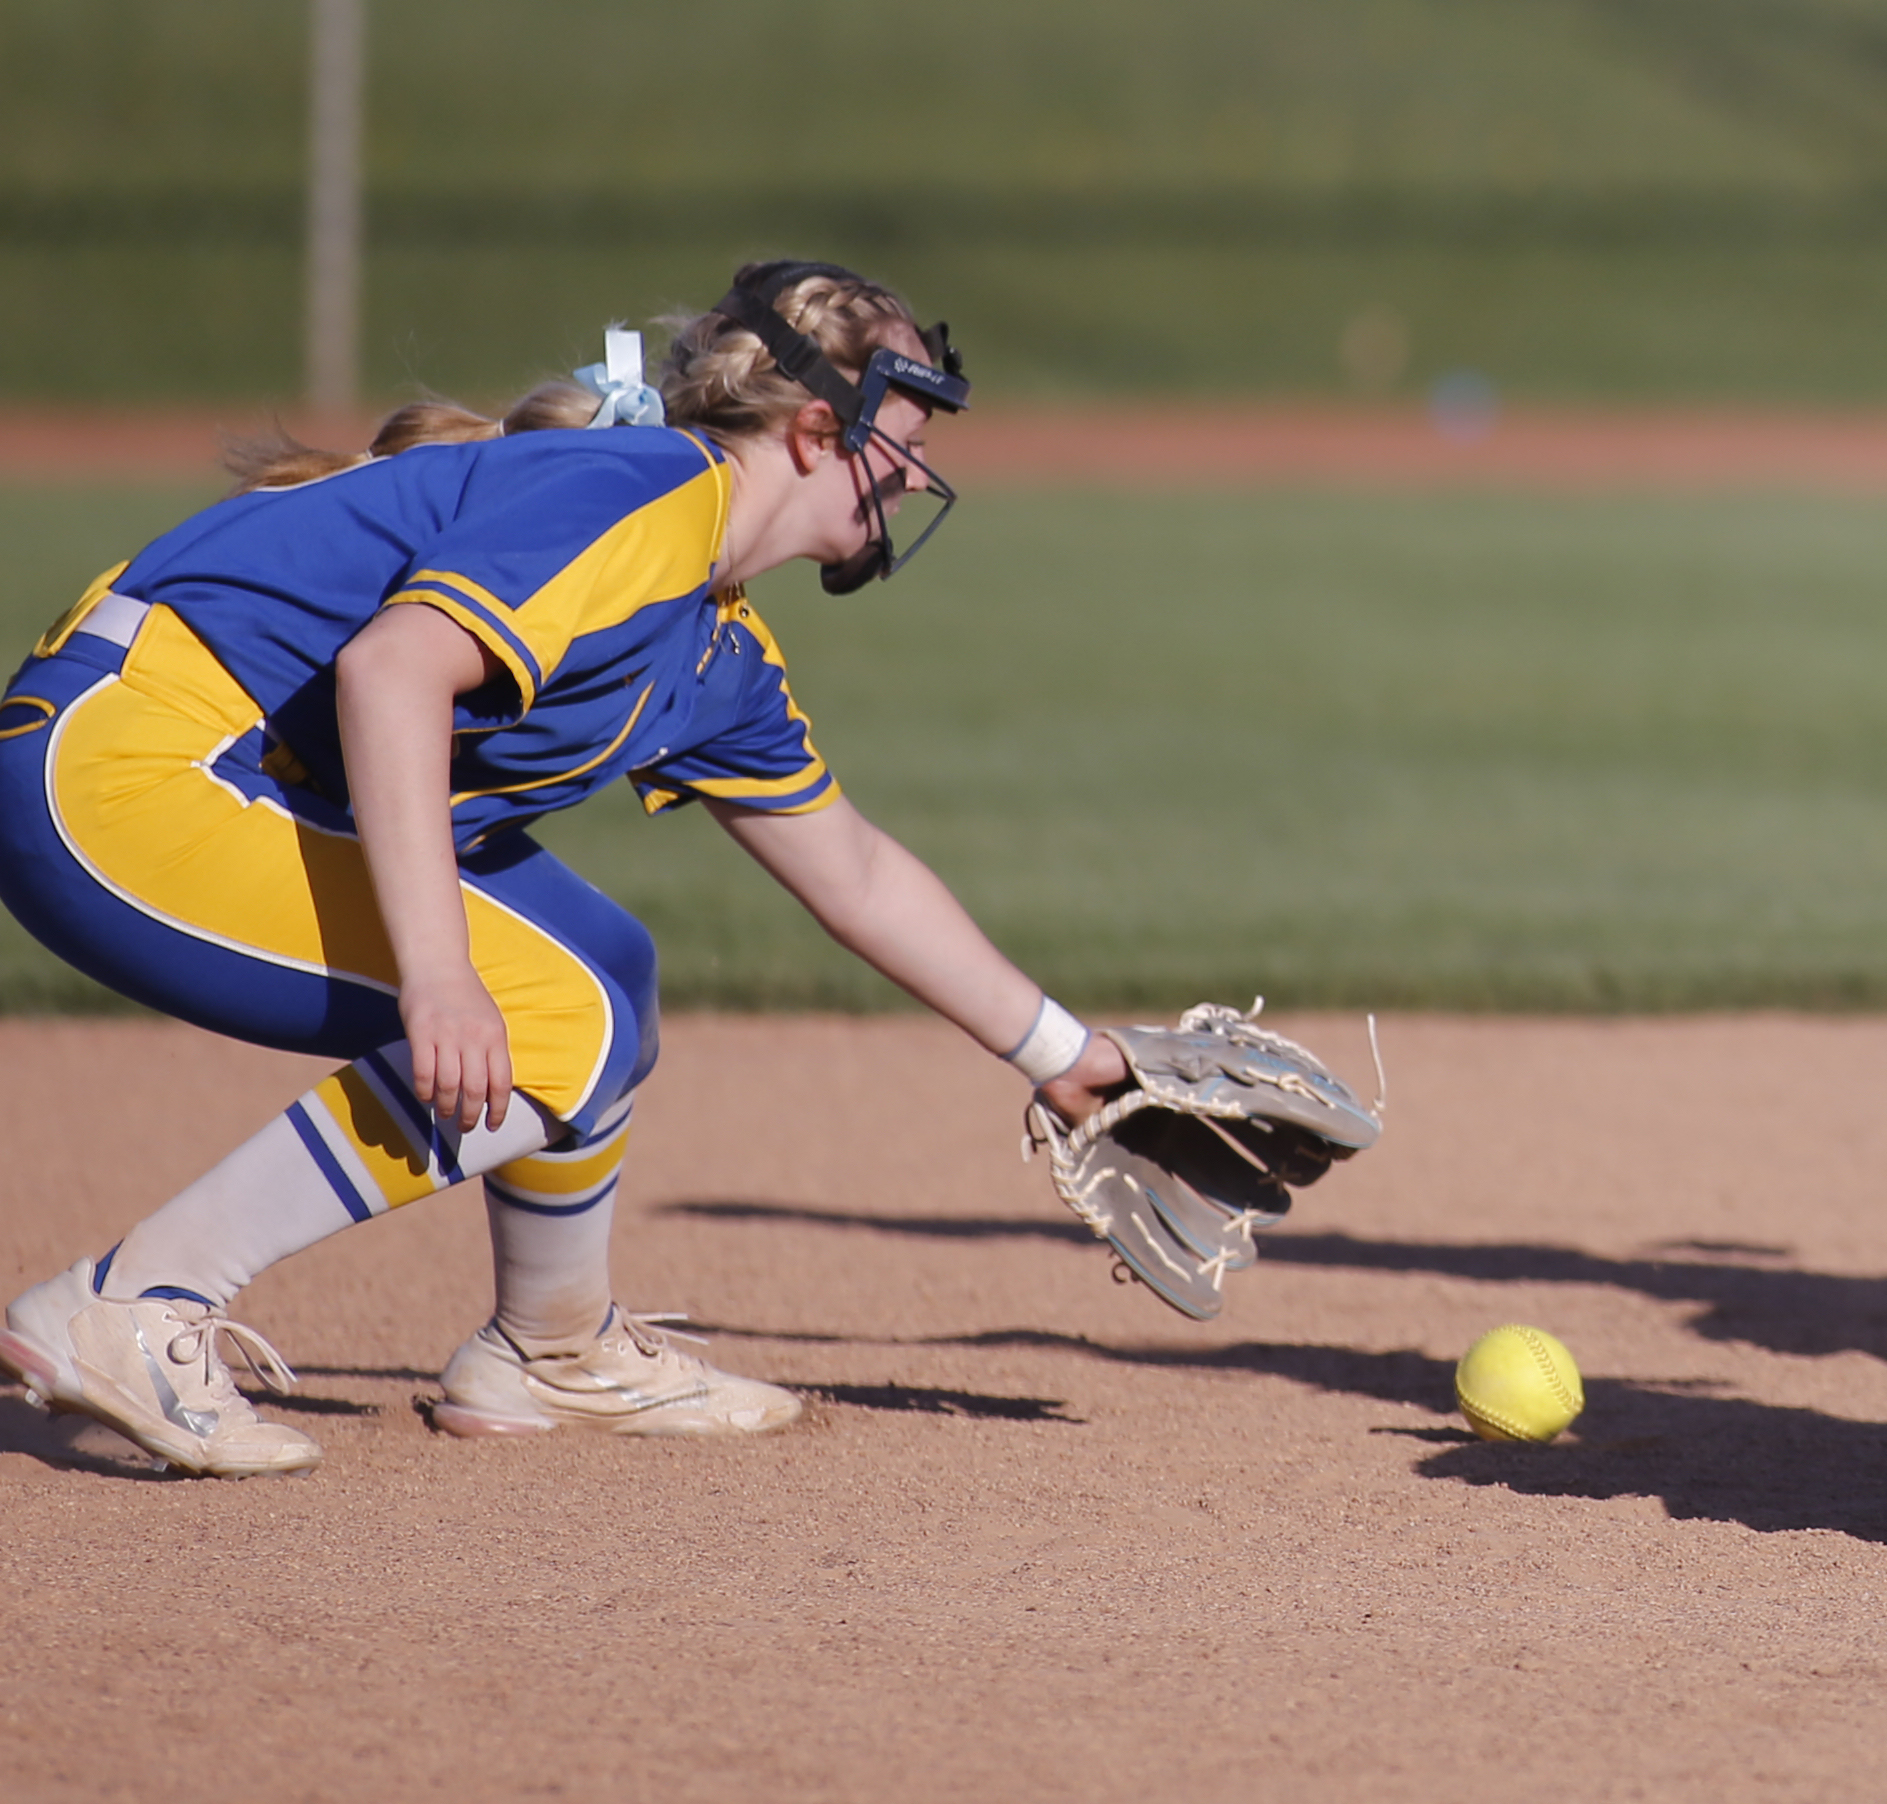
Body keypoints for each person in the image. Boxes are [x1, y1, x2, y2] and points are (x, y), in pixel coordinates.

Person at [0, 262, 1132, 1476]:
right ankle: (134, 1303)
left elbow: (852, 868)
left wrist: (1072, 1061)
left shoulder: (715, 635)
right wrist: (439, 976)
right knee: (564, 1013)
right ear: (816, 430)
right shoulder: (646, 491)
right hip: (119, 773)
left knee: (606, 967)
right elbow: (394, 672)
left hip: (198, 774)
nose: (912, 476)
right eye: (898, 442)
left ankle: (553, 1346)